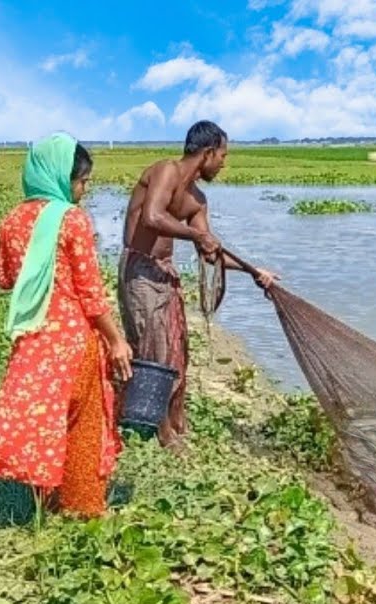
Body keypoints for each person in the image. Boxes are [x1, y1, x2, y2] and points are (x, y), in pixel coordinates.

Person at [0, 133, 134, 518]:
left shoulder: (12, 220)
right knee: (85, 427)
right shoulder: (72, 219)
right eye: (82, 181)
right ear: (61, 177)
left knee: (48, 422)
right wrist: (117, 340)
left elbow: (5, 278)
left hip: (33, 340)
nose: (84, 190)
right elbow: (91, 294)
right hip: (75, 341)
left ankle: (48, 502)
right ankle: (83, 506)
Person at [117, 120, 278, 449]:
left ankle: (176, 421)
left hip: (165, 273)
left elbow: (209, 253)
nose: (223, 163)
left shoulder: (198, 200)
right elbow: (152, 216)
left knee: (178, 352)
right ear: (207, 153)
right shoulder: (166, 171)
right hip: (140, 271)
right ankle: (161, 433)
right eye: (223, 155)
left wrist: (253, 271)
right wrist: (196, 234)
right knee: (153, 348)